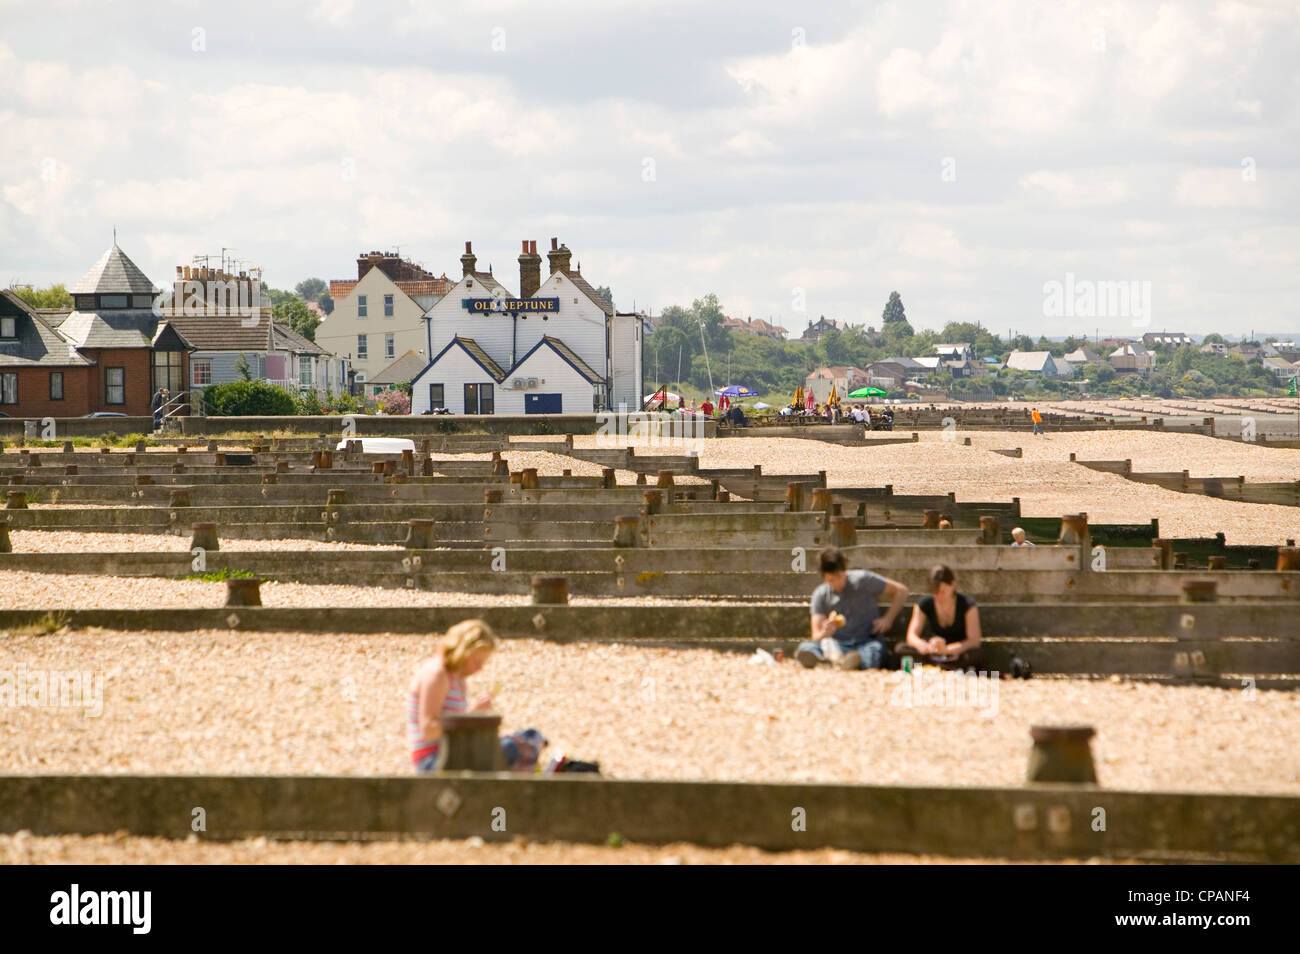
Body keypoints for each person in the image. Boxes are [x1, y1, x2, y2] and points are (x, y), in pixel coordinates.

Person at [407, 619, 548, 773]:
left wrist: (474, 718)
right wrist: (471, 716)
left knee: (528, 736)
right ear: (462, 652)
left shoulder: (456, 678)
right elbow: (428, 730)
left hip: (452, 753)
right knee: (511, 747)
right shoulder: (436, 674)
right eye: (476, 661)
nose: (479, 668)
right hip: (432, 761)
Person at [798, 547, 908, 670]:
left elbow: (901, 591)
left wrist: (888, 619)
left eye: (839, 577)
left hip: (866, 641)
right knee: (806, 647)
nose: (837, 583)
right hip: (835, 644)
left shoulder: (863, 580)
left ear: (844, 570)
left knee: (874, 650)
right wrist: (825, 632)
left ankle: (847, 662)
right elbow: (816, 636)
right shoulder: (821, 595)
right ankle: (830, 661)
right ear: (824, 578)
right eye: (831, 580)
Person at [897, 564, 984, 671]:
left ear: (953, 585)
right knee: (901, 649)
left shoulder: (967, 605)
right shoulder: (924, 603)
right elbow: (911, 635)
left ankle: (940, 667)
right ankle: (942, 667)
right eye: (934, 593)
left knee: (976, 654)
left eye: (942, 592)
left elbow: (974, 641)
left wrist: (947, 649)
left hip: (957, 652)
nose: (938, 597)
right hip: (932, 651)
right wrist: (924, 646)